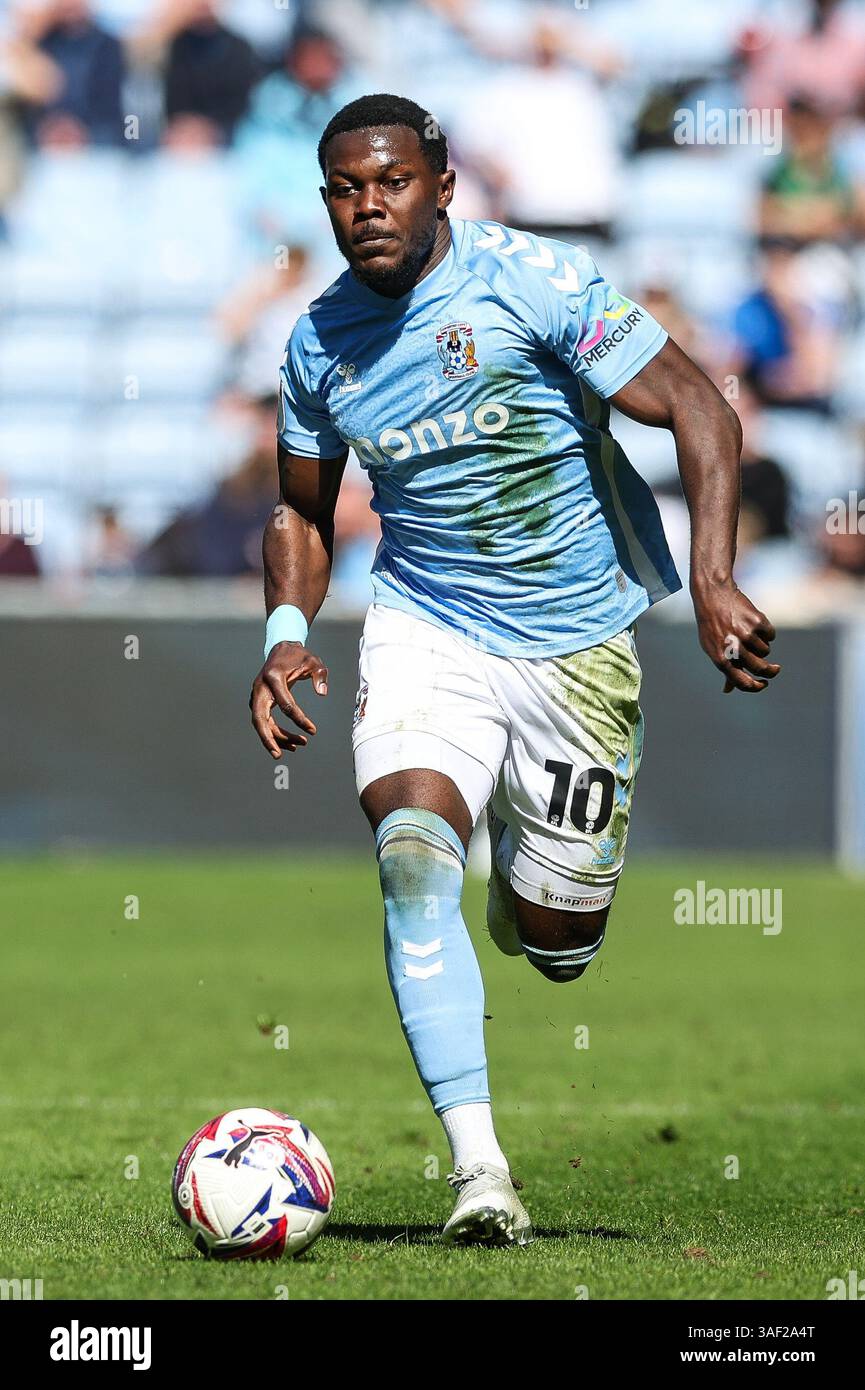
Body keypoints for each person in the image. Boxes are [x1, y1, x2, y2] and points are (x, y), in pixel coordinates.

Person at [249, 94, 780, 1247]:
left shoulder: (531, 281)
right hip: (424, 622)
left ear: (442, 183)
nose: (366, 205)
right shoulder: (317, 342)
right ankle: (480, 1171)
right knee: (407, 855)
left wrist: (715, 580)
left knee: (555, 947)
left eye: (389, 181)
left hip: (575, 645)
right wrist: (286, 628)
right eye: (344, 188)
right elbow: (298, 509)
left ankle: (524, 882)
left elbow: (698, 404)